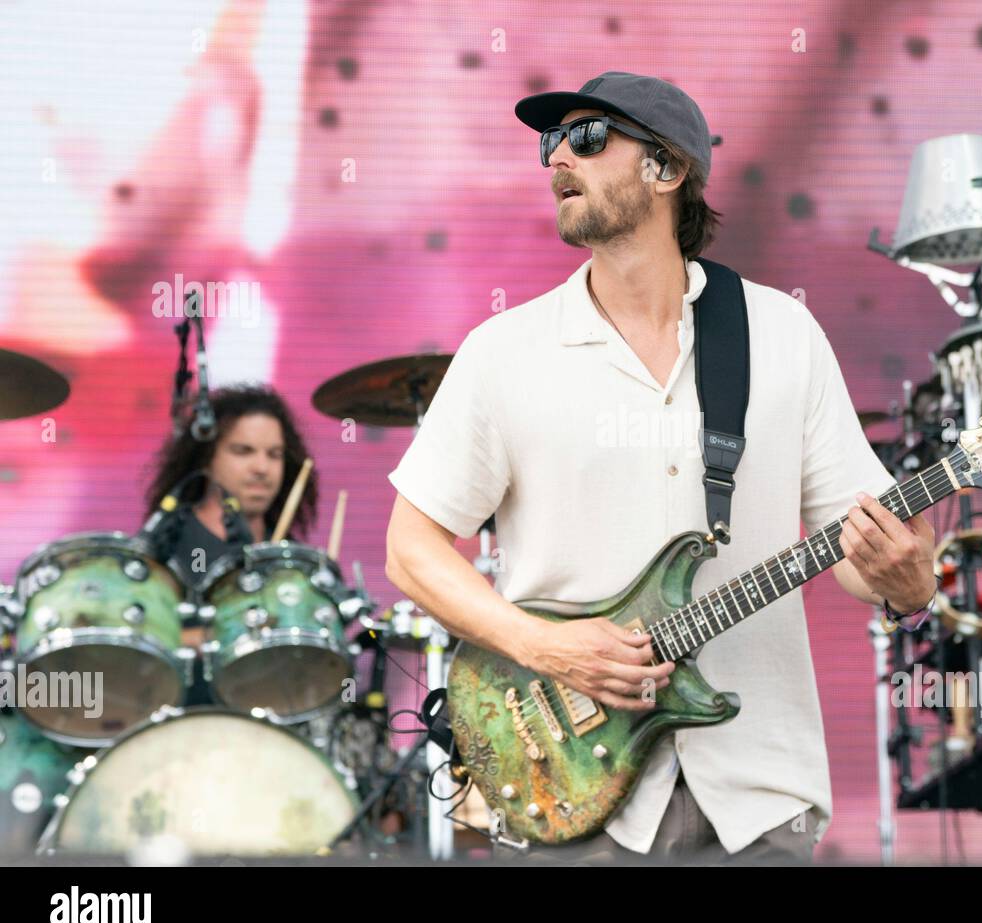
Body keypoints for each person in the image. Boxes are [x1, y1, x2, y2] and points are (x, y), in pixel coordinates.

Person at [385, 71, 937, 864]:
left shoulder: (783, 334)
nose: (556, 162)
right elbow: (412, 549)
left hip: (755, 796)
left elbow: (859, 550)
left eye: (586, 139)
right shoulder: (504, 353)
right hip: (564, 795)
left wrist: (908, 586)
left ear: (668, 169)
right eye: (551, 142)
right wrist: (549, 650)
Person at [143, 383, 318, 704]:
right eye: (243, 451)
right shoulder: (167, 544)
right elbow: (138, 643)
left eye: (274, 455)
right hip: (190, 721)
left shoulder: (287, 558)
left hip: (275, 719)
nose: (262, 468)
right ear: (207, 458)